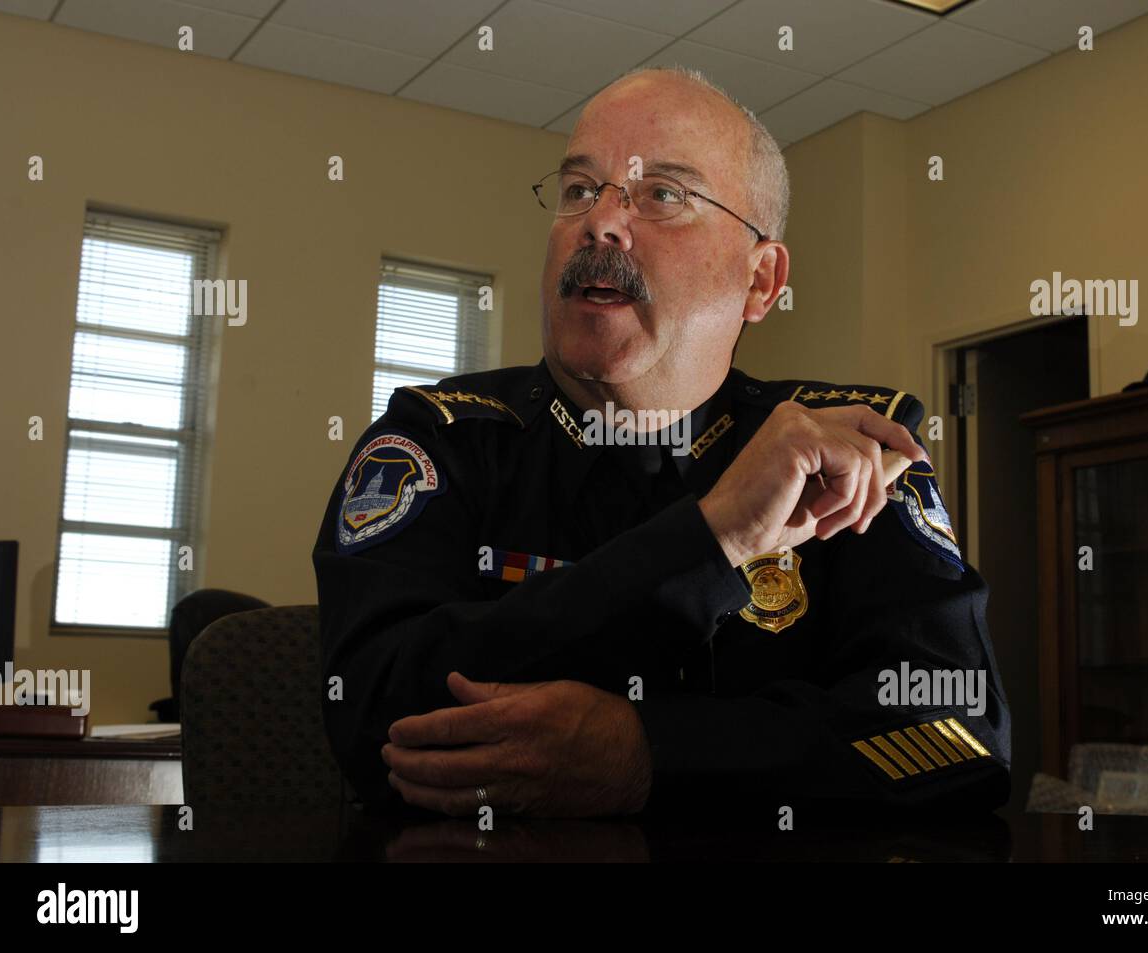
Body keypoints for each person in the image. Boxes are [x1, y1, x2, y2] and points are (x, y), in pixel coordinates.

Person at [312, 65, 1011, 818]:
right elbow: (375, 719)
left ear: (760, 281)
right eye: (581, 188)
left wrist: (652, 753)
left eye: (662, 195)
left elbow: (955, 736)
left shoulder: (846, 450)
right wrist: (711, 541)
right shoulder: (440, 442)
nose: (601, 223)